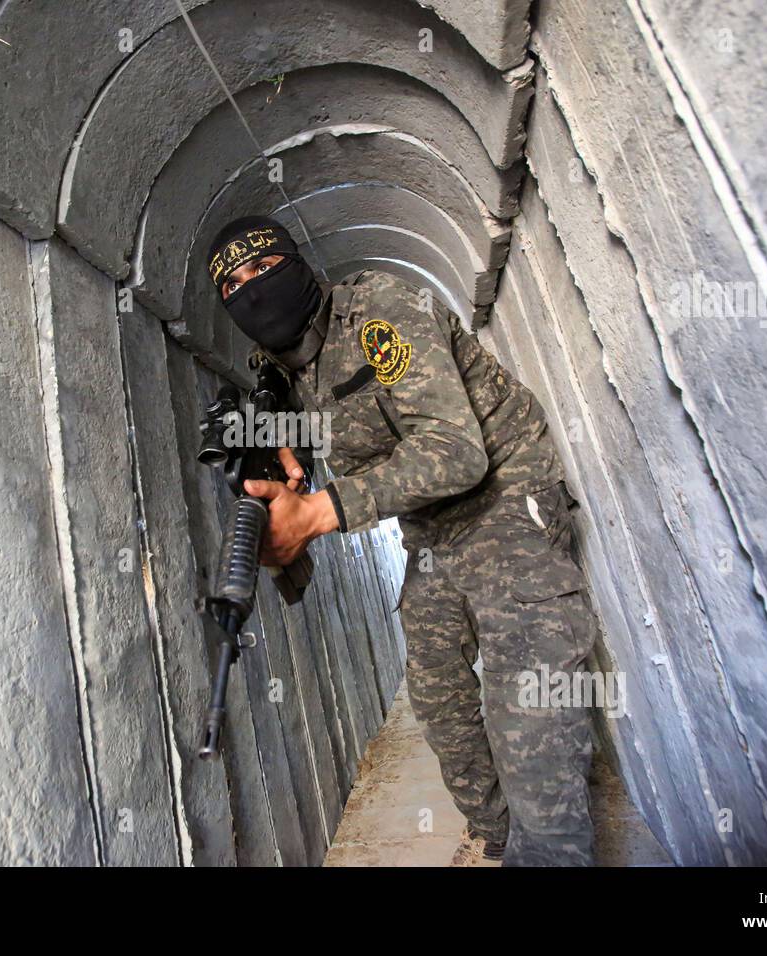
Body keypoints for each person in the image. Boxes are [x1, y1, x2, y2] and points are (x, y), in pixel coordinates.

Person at [206, 215, 599, 866]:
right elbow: (291, 456)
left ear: (298, 265)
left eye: (264, 269)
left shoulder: (382, 309)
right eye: (234, 285)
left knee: (527, 700)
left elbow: (457, 452)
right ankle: (504, 838)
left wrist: (322, 510)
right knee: (438, 692)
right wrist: (280, 505)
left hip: (505, 493)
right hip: (431, 527)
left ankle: (555, 853)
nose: (253, 292)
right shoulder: (278, 372)